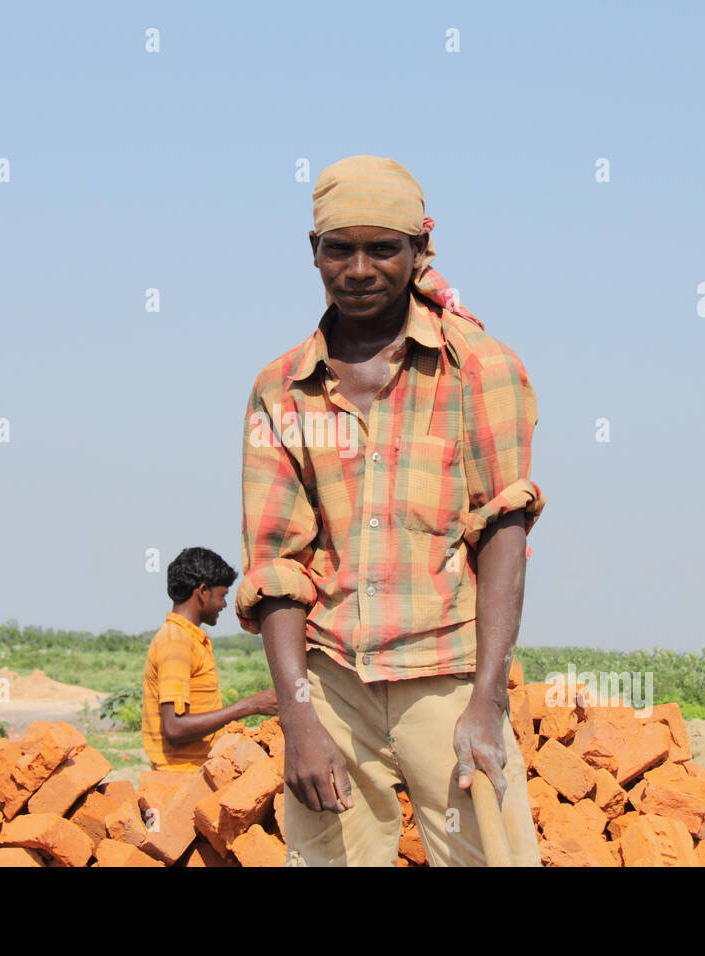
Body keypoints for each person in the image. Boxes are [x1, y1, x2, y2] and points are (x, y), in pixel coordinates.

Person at [236, 155, 545, 866]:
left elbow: (504, 529)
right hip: (332, 685)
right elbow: (276, 564)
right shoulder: (281, 389)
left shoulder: (481, 368)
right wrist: (299, 718)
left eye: (383, 249)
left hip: (447, 680)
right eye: (339, 248)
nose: (360, 268)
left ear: (420, 253)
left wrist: (488, 700)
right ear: (313, 253)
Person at [141, 546, 277, 772]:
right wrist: (250, 705)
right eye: (222, 596)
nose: (224, 604)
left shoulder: (188, 639)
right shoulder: (176, 642)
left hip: (194, 773)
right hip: (178, 779)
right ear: (203, 591)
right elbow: (174, 728)